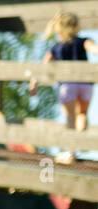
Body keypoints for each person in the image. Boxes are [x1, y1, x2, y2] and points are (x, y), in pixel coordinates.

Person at [30, 12, 94, 162]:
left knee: (70, 118)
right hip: (86, 85)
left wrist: (34, 82)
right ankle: (81, 140)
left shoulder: (56, 47)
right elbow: (93, 49)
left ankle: (72, 152)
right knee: (82, 114)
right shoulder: (84, 41)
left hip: (67, 86)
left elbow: (43, 66)